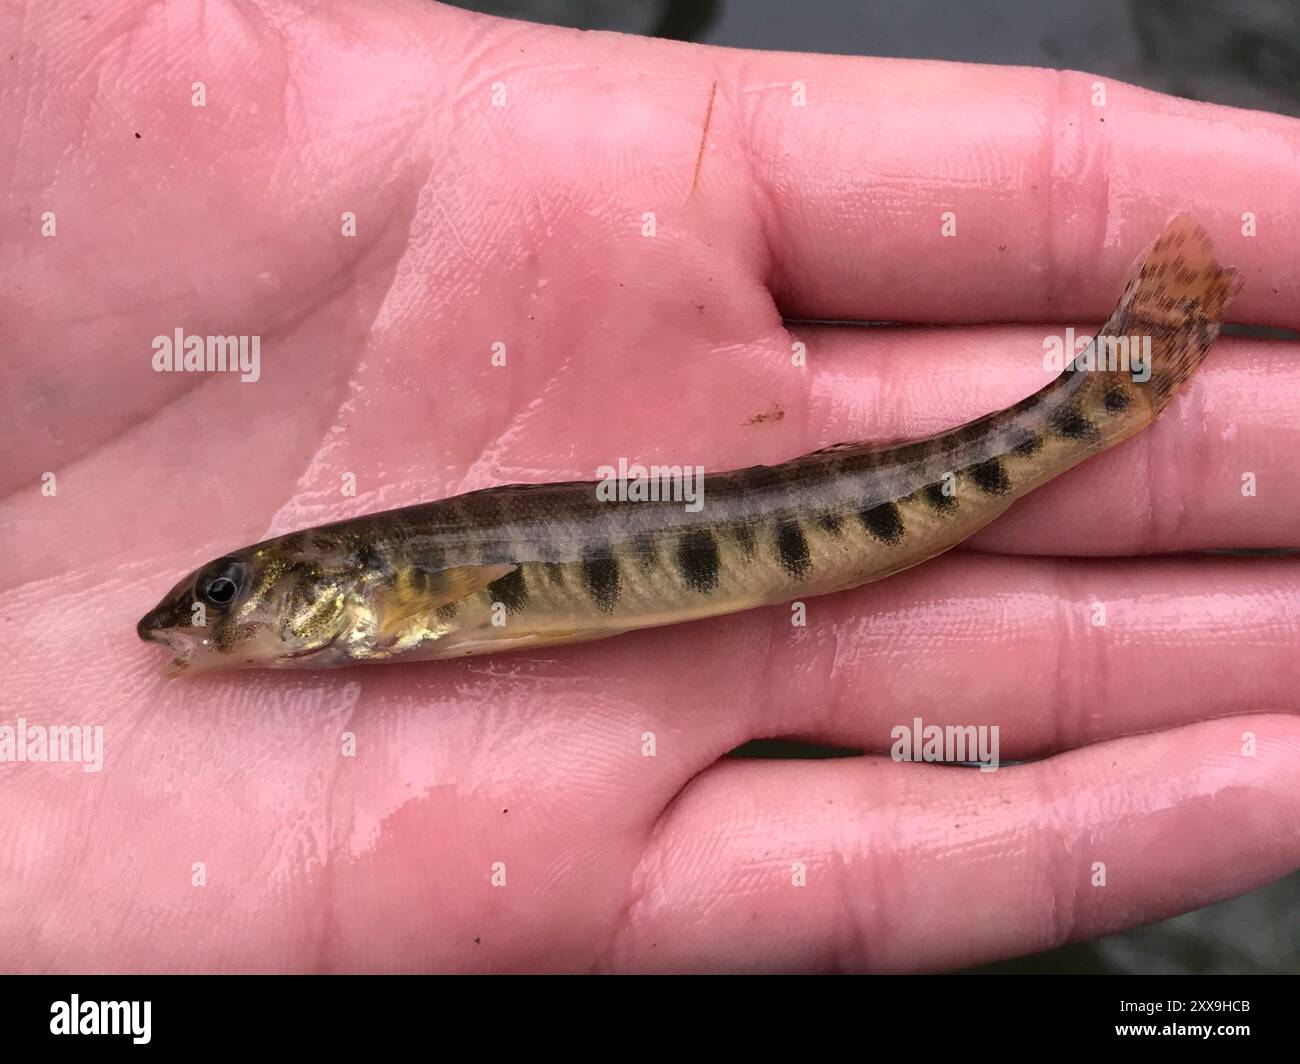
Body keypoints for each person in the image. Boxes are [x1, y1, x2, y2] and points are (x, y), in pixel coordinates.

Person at [4, 0, 1298, 973]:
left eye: (225, 600)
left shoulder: (389, 597)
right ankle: (1118, 385)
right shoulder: (356, 610)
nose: (198, 627)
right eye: (218, 604)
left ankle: (1116, 387)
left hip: (793, 522)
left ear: (337, 594)